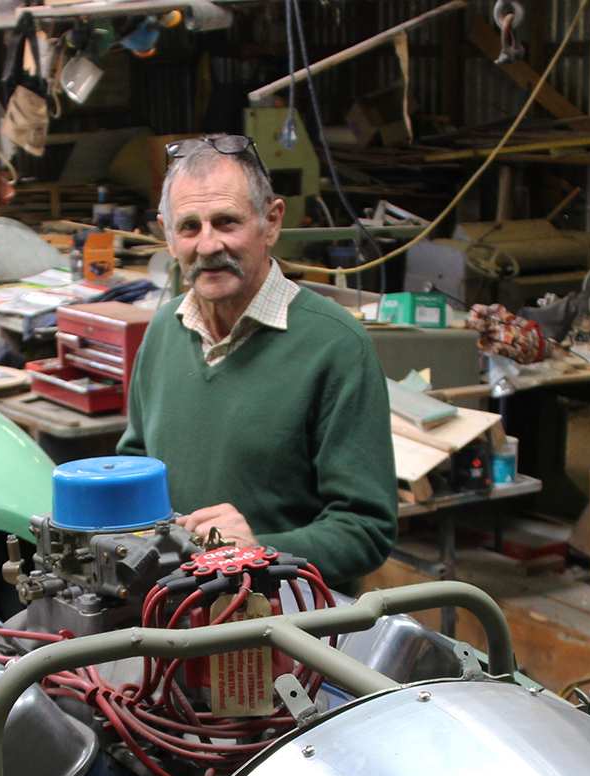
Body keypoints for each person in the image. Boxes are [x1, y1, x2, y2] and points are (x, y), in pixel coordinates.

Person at [117, 136, 395, 589]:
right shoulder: (165, 328)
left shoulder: (336, 346)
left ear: (271, 222)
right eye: (189, 227)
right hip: (176, 612)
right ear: (167, 235)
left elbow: (366, 530)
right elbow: (135, 465)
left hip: (289, 623)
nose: (207, 245)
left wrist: (259, 551)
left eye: (226, 222)